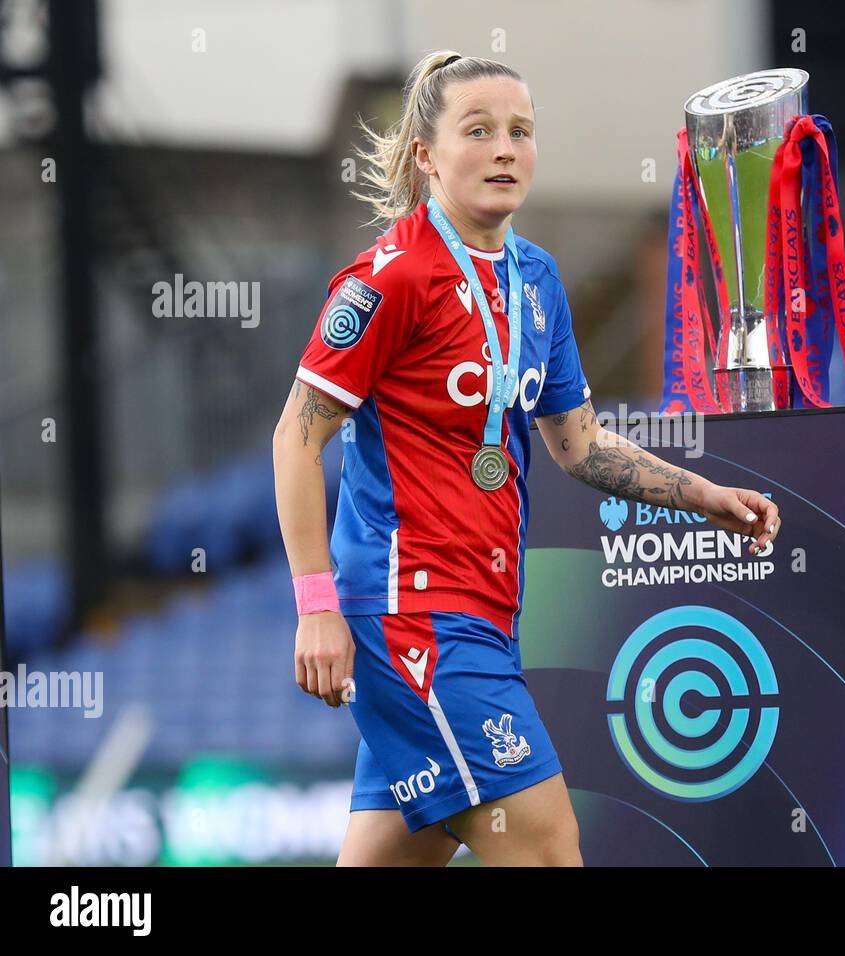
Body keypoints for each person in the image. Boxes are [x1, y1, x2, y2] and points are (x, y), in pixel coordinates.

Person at [271, 49, 781, 867]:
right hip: (416, 621)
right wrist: (315, 605)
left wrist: (702, 495)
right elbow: (296, 438)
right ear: (425, 155)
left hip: (488, 618)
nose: (505, 148)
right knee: (546, 848)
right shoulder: (391, 279)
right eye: (479, 131)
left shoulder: (537, 280)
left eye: (521, 131)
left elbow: (579, 445)